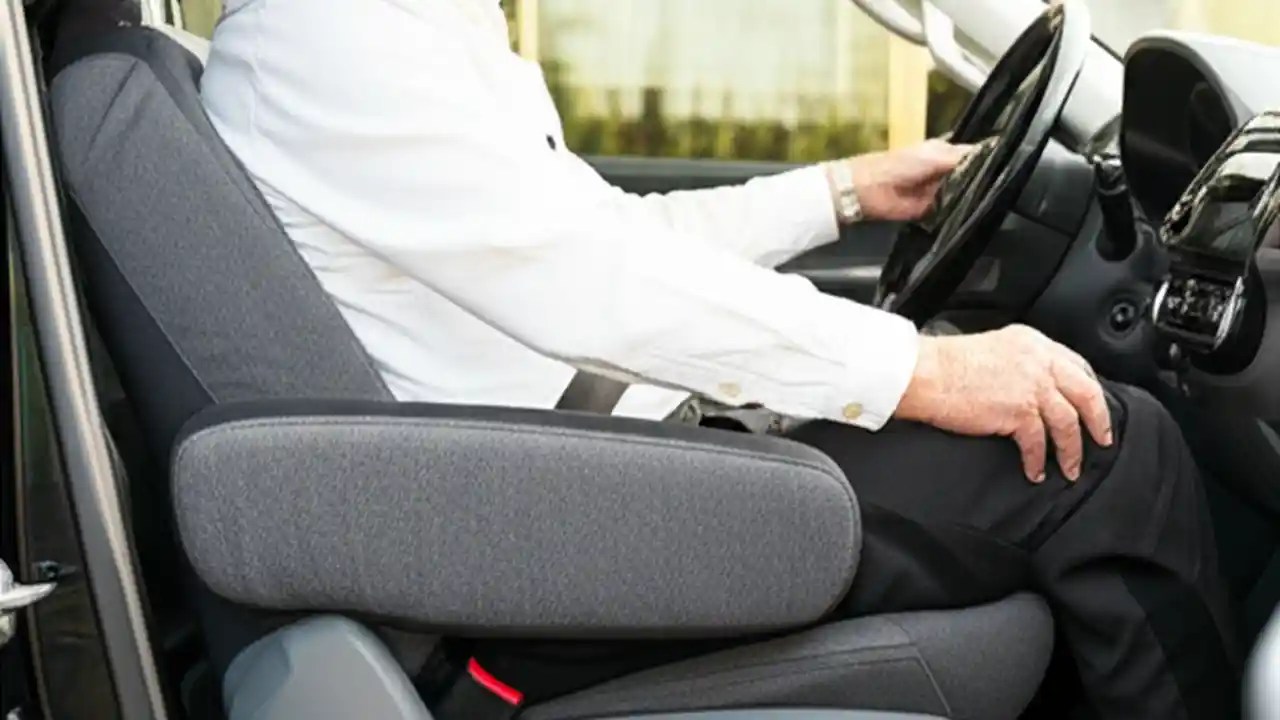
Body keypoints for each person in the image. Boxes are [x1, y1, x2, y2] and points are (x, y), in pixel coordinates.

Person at [199, 0, 1238, 716]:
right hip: (554, 538)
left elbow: (604, 238)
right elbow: (583, 279)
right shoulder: (331, 31)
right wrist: (925, 372)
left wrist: (840, 193)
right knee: (1108, 452)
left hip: (586, 481)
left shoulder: (406, 27)